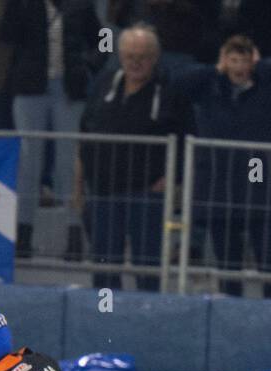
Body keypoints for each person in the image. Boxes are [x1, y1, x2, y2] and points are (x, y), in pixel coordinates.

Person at [174, 34, 271, 298]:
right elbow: (177, 84)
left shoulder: (267, 86)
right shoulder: (209, 87)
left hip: (260, 190)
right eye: (233, 60)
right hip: (220, 188)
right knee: (227, 267)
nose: (239, 67)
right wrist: (214, 69)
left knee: (269, 264)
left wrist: (263, 64)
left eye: (244, 61)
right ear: (224, 60)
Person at [77, 23, 186, 291]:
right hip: (103, 192)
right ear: (120, 55)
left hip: (145, 194)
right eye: (129, 56)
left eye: (143, 57)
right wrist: (78, 184)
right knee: (104, 265)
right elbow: (84, 134)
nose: (135, 63)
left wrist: (172, 179)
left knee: (147, 265)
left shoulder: (170, 95)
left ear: (155, 58)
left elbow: (187, 142)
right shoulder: (104, 85)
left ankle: (146, 315)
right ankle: (105, 319)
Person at [3, 0, 106, 259]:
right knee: (28, 160)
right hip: (29, 85)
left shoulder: (80, 4)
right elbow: (5, 35)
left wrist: (90, 65)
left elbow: (104, 36)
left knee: (69, 161)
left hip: (70, 88)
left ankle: (73, 233)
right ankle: (23, 232)